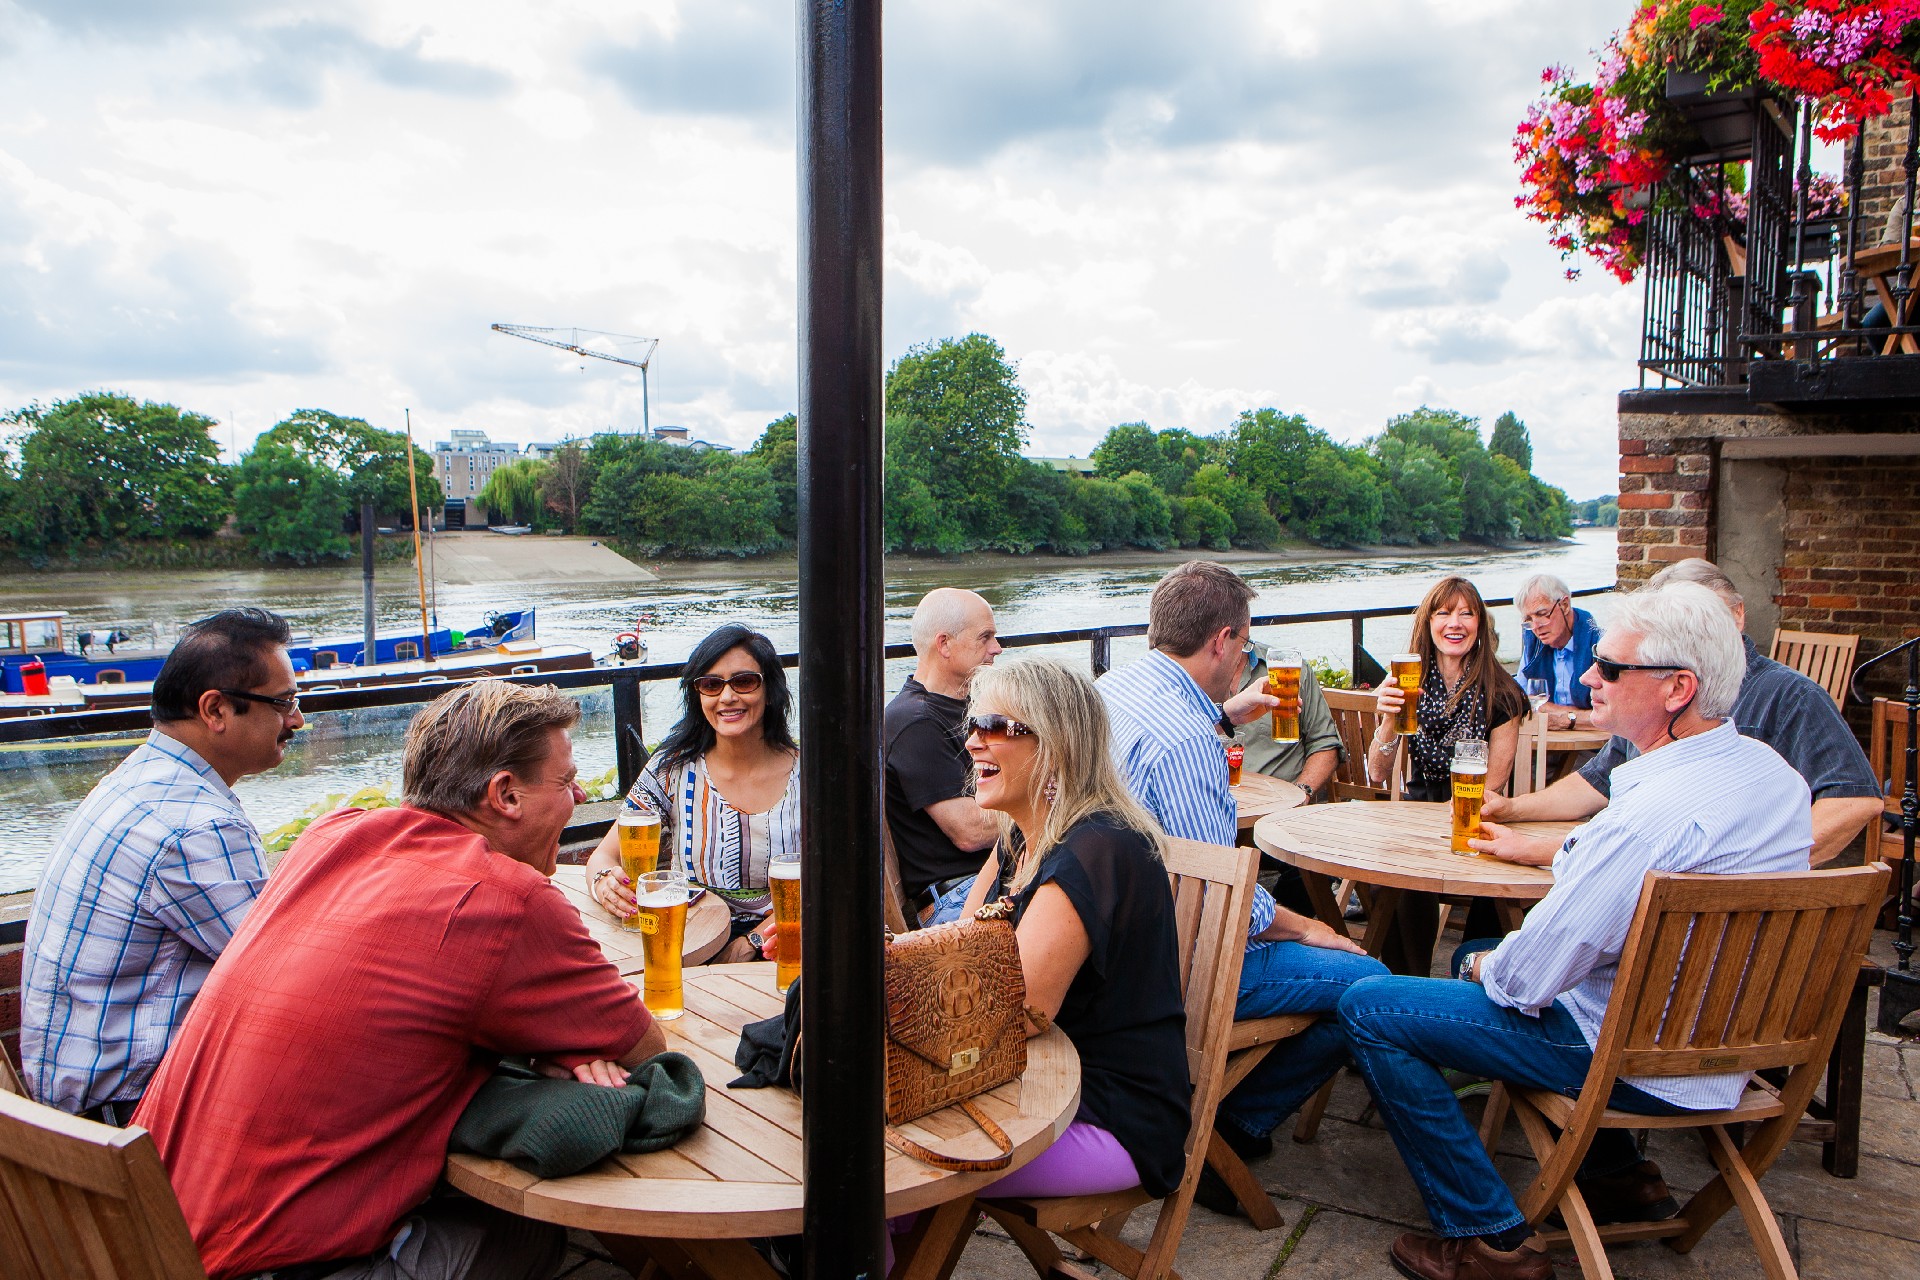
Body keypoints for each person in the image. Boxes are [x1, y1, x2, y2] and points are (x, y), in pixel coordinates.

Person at [1339, 583, 1815, 1280]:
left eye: (1612, 668)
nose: (1590, 676)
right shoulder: (1773, 778)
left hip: (1632, 1056)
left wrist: (1485, 973)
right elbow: (1627, 868)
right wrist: (1554, 865)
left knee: (1373, 1006)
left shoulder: (1649, 817)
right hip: (1726, 1045)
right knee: (1477, 947)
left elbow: (1526, 979)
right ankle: (1621, 1174)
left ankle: (1488, 1238)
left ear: (1678, 688)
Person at [132, 680, 666, 1280]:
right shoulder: (508, 899)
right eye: (567, 782)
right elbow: (641, 1048)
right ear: (506, 794)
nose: (581, 794)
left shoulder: (328, 839)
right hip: (272, 1266)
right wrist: (548, 1050)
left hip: (149, 1235)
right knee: (530, 1229)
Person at [1094, 561, 1377, 1207]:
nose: (1245, 653)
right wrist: (1313, 927)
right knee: (1370, 982)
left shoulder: (1116, 689)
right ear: (1221, 640)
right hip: (1172, 967)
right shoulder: (1188, 741)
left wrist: (1222, 715)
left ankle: (1227, 1116)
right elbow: (1222, 902)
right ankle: (1230, 1126)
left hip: (1105, 945)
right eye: (1244, 642)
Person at [22, 607, 303, 1121]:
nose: (297, 720)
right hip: (126, 1115)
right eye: (284, 702)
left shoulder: (141, 780)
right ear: (215, 710)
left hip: (68, 1105)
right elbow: (291, 976)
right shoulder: (197, 824)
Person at [950, 656, 1191, 1201]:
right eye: (973, 726)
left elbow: (1019, 1012)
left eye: (997, 727)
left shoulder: (1098, 847)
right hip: (1026, 1083)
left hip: (1104, 1114)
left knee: (870, 1158)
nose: (973, 742)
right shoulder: (1019, 836)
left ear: (1056, 745)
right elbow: (958, 951)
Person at [1476, 557, 1883, 868]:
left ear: (1737, 614)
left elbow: (1854, 799)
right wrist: (1513, 808)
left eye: (1699, 611)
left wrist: (1756, 870)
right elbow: (1597, 782)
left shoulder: (1789, 694)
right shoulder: (1654, 700)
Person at [586, 624, 800, 963]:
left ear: (770, 690)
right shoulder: (671, 769)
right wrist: (604, 883)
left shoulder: (809, 776)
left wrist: (750, 943)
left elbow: (831, 882)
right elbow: (603, 856)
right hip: (691, 938)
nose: (727, 697)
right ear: (698, 695)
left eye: (744, 682)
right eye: (711, 685)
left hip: (783, 946)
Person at [885, 588, 1002, 919]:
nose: (997, 648)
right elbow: (970, 831)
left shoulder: (968, 705)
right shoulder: (915, 721)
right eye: (985, 637)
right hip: (956, 897)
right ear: (944, 644)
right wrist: (1054, 807)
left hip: (986, 878)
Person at [1368, 576, 1529, 803]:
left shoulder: (1503, 693)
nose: (1455, 623)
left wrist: (1440, 818)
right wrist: (1389, 719)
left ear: (1480, 625)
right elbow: (1377, 773)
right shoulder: (1409, 680)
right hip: (1414, 814)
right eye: (1443, 613)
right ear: (1429, 622)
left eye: (1466, 613)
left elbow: (1492, 786)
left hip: (1468, 818)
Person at [1229, 642, 1342, 798]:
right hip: (1218, 809)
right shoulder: (1193, 672)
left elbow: (1325, 744)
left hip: (1283, 806)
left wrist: (1301, 794)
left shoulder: (1289, 666)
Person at [1516, 572, 1603, 719]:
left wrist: (1566, 718)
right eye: (1528, 619)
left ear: (1564, 605)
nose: (1536, 627)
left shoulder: (1598, 643)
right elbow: (1520, 699)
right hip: (1549, 737)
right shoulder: (1533, 645)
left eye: (1542, 614)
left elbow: (1612, 713)